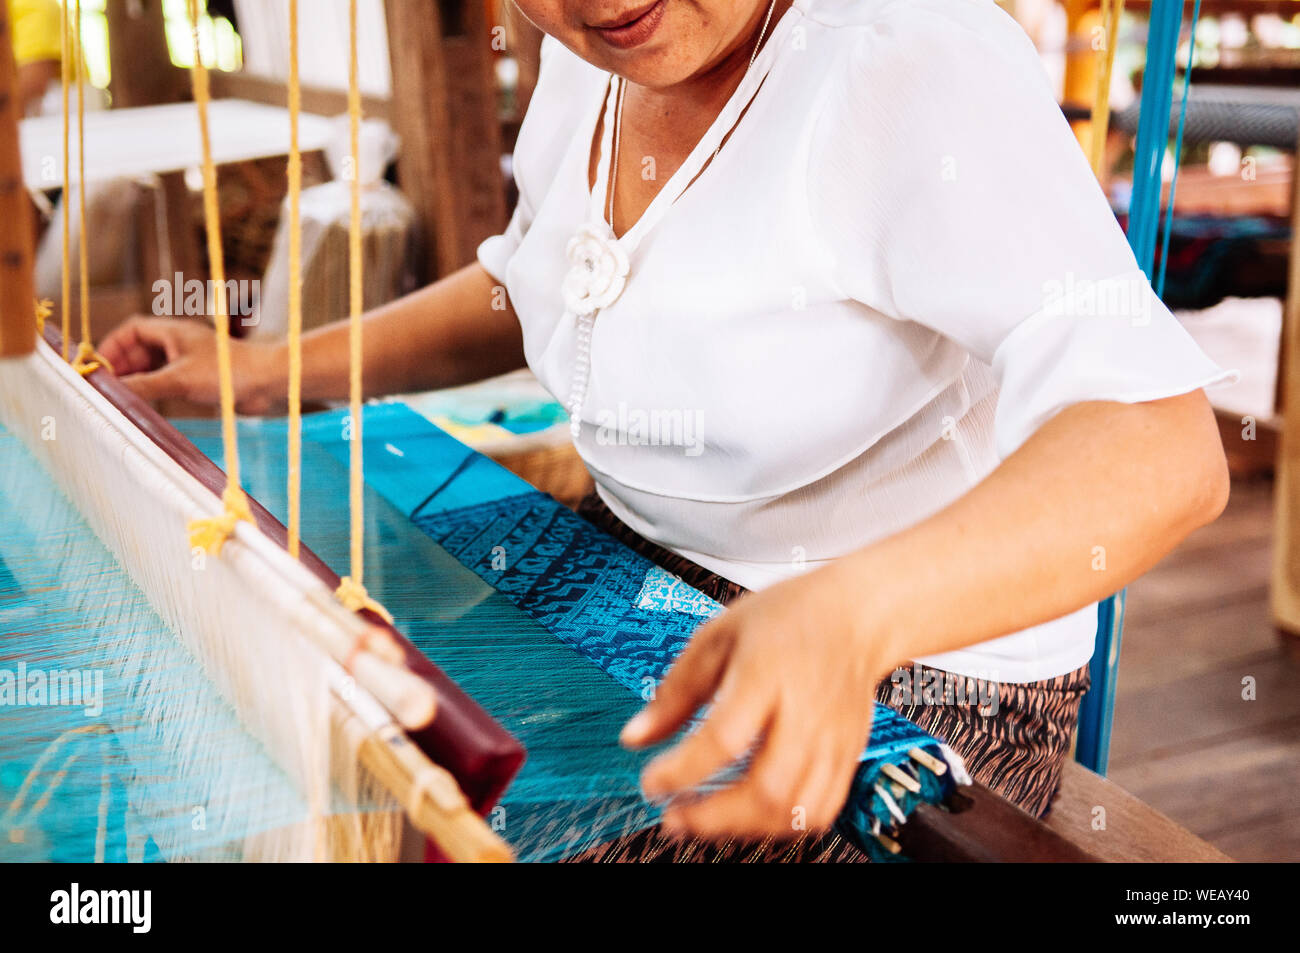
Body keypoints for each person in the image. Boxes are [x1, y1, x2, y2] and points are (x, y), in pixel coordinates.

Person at [100, 0, 1234, 845]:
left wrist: (851, 613)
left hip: (906, 675)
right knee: (323, 756)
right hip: (622, 581)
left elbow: (1157, 446)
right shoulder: (600, 51)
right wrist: (266, 371)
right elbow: (530, 278)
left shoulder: (903, 58)